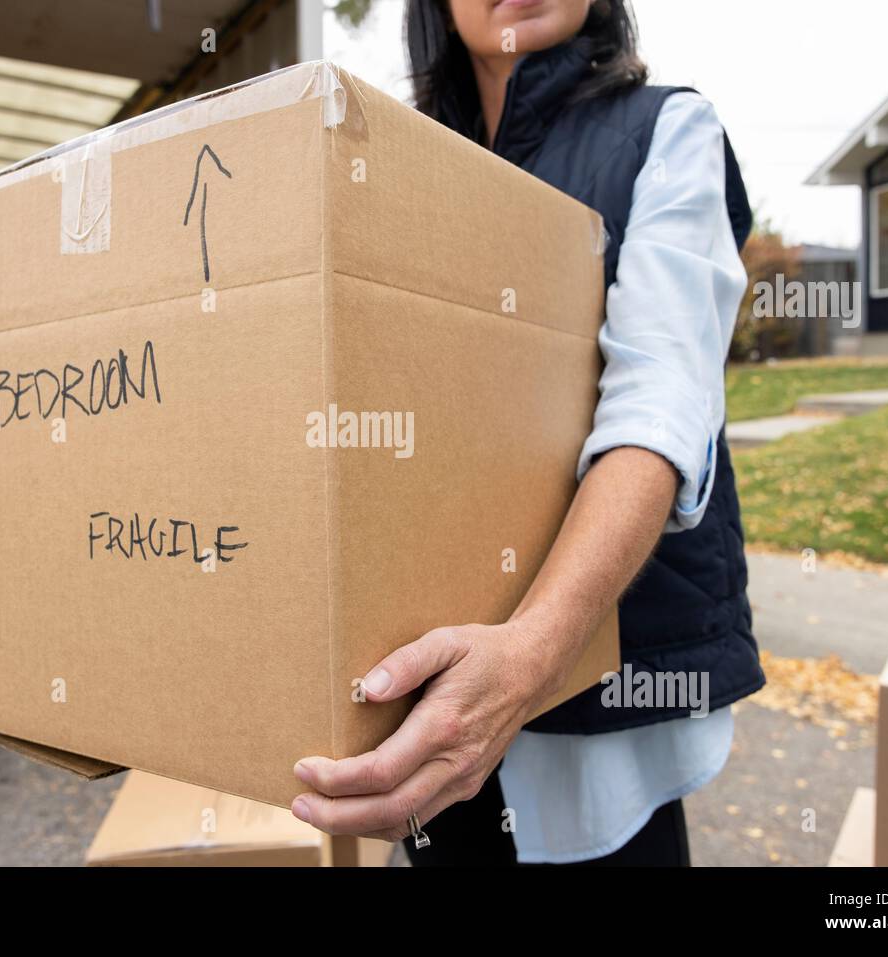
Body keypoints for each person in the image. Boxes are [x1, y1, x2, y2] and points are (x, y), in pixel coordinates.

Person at [289, 0, 765, 866]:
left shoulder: (667, 131)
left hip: (601, 724)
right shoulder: (393, 162)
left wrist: (530, 655)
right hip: (424, 699)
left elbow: (657, 407)